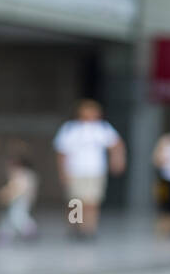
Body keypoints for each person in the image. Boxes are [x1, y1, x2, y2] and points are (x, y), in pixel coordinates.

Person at [53, 99, 124, 239]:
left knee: (92, 201)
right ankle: (75, 228)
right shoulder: (70, 128)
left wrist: (117, 160)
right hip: (75, 170)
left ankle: (89, 229)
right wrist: (62, 171)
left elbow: (116, 145)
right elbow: (61, 152)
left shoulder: (102, 128)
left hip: (95, 170)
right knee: (75, 202)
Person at [0, 155, 39, 242]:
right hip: (17, 199)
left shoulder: (22, 174)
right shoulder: (21, 173)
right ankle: (5, 235)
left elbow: (19, 188)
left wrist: (9, 195)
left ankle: (30, 230)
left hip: (21, 199)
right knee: (11, 217)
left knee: (18, 216)